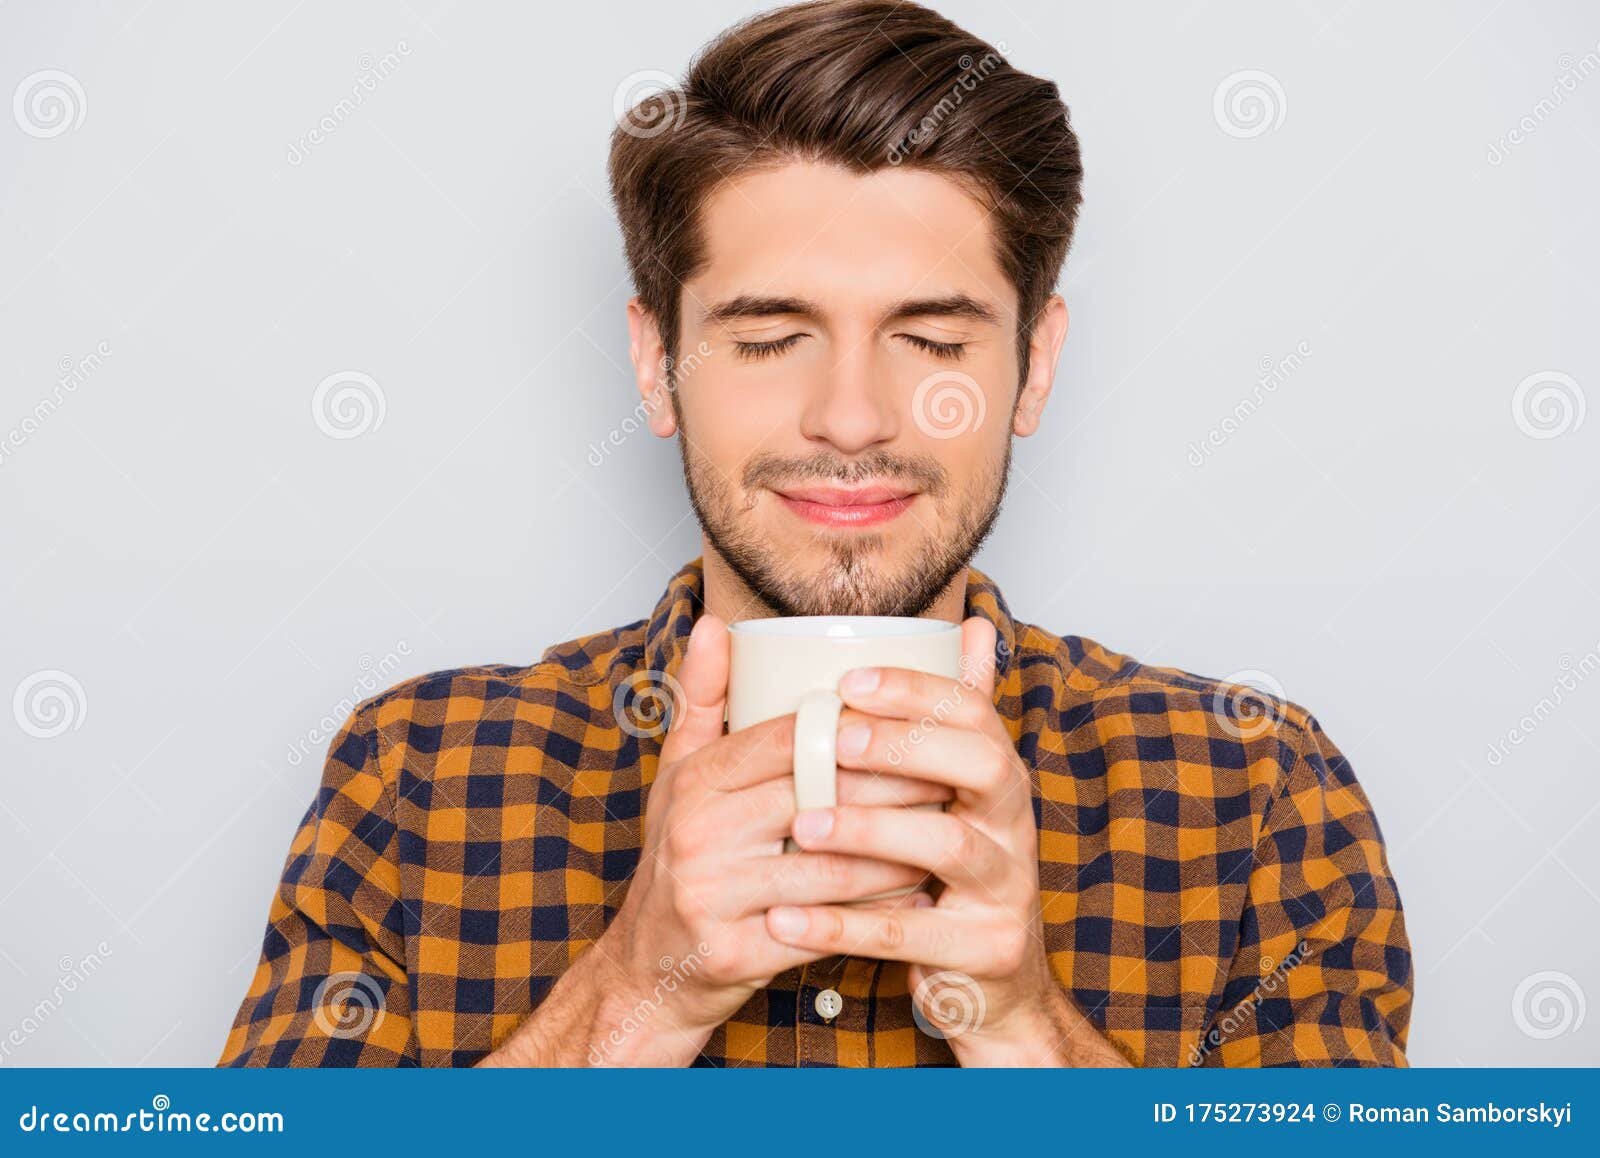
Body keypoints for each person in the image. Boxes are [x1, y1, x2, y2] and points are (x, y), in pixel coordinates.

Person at [221, 0, 1410, 1068]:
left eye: (932, 340)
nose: (851, 418)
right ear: (656, 362)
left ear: (1034, 366)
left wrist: (1020, 1028)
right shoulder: (420, 774)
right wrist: (632, 997)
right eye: (767, 338)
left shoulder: (1251, 787)